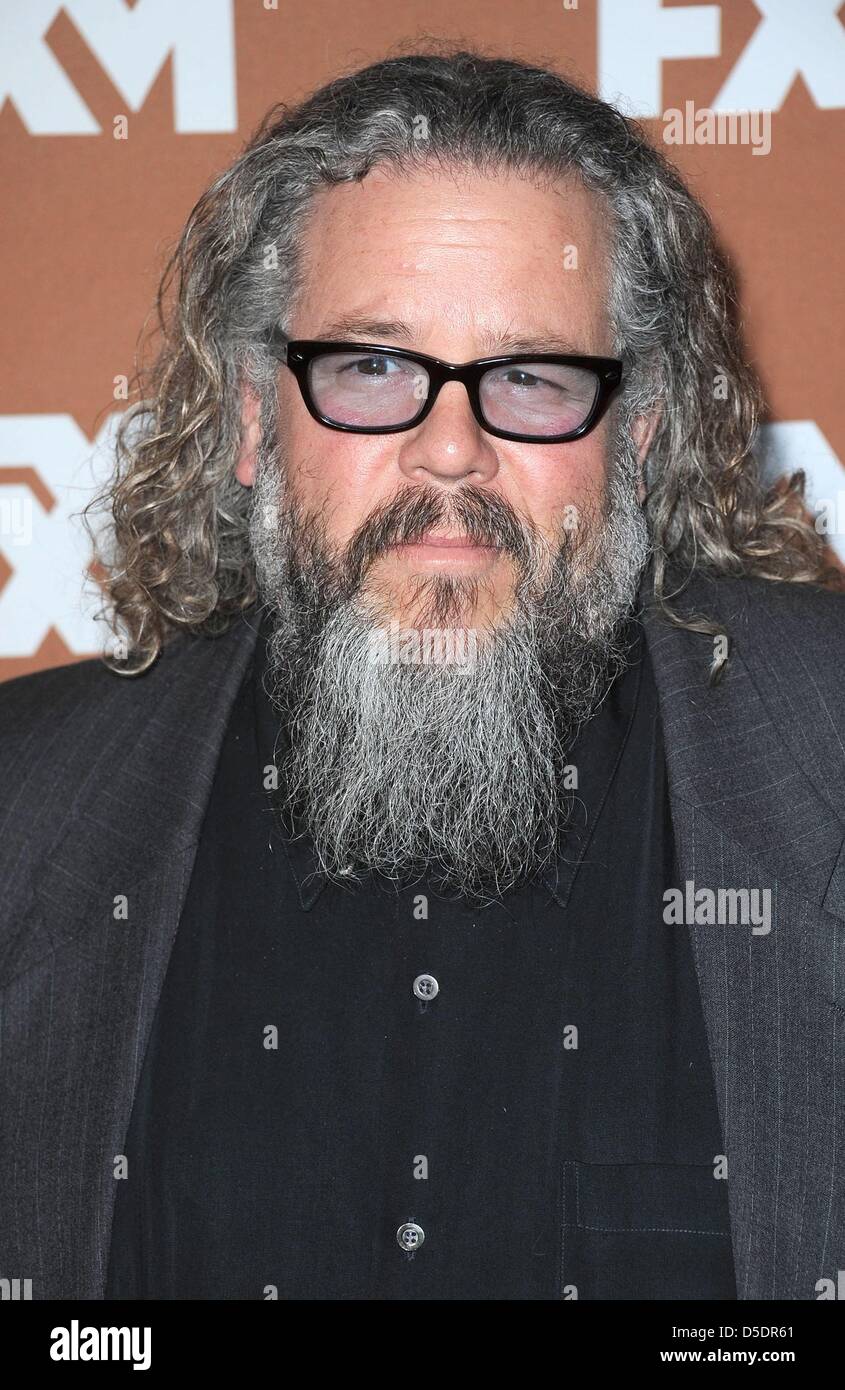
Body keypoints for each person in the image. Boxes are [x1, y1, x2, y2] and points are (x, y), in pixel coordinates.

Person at [1, 47, 843, 1302]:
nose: (448, 454)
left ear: (641, 433)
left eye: (530, 379)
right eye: (372, 368)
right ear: (249, 420)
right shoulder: (27, 808)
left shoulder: (823, 760)